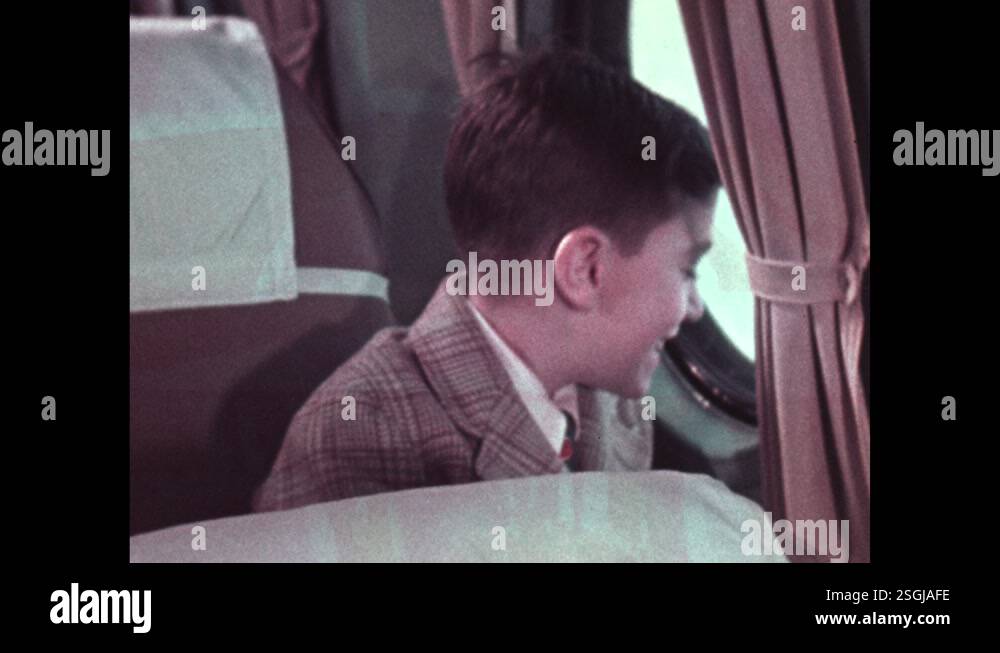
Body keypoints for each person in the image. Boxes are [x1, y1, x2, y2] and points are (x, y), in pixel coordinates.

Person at [252, 48, 720, 511]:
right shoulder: (355, 444)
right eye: (687, 270)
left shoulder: (614, 402)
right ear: (585, 269)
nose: (695, 306)